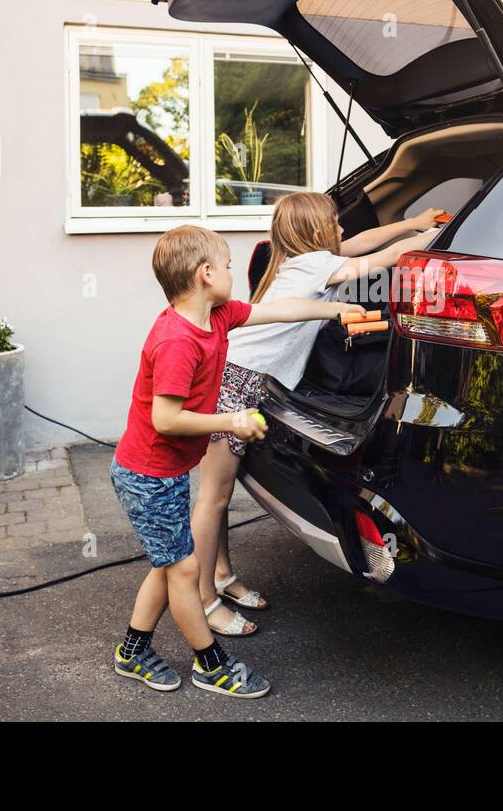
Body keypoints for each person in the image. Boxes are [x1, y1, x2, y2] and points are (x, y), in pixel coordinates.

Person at [109, 223, 364, 696]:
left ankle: (132, 651)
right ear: (206, 274)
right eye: (227, 266)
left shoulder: (219, 316)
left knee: (169, 566)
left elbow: (280, 310)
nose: (233, 272)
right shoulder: (178, 341)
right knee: (183, 571)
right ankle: (211, 665)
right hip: (145, 475)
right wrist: (231, 421)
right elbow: (166, 419)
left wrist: (336, 309)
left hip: (161, 473)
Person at [193, 192, 440, 635]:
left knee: (220, 495)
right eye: (335, 223)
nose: (343, 230)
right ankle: (204, 602)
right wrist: (423, 240)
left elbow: (362, 242)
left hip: (239, 379)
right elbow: (373, 259)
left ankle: (222, 576)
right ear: (316, 232)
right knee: (212, 498)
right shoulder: (312, 265)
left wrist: (410, 222)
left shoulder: (298, 258)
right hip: (234, 383)